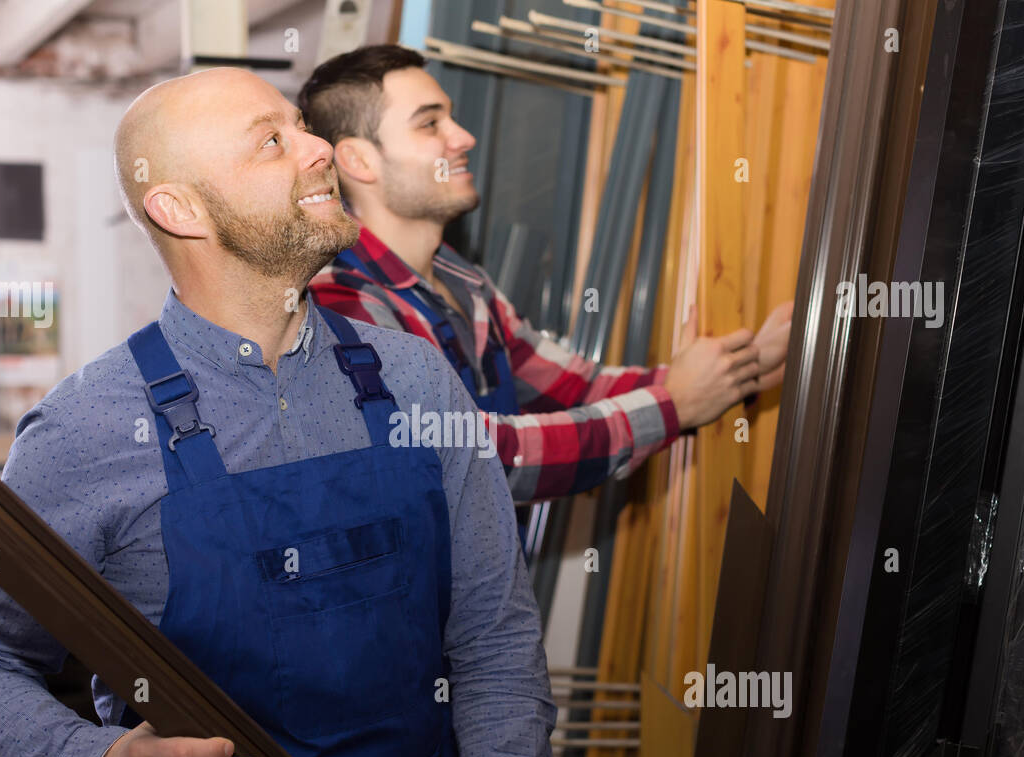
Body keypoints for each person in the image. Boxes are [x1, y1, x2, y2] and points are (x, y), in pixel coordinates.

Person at [0, 67, 556, 757]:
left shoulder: (416, 380)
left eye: (301, 125)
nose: (319, 148)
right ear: (179, 208)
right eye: (272, 142)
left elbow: (494, 636)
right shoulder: (83, 431)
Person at [299, 45, 792, 504]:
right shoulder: (340, 304)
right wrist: (674, 405)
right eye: (430, 124)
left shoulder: (464, 283)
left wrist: (738, 367)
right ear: (358, 160)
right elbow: (476, 455)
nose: (463, 136)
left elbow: (575, 390)